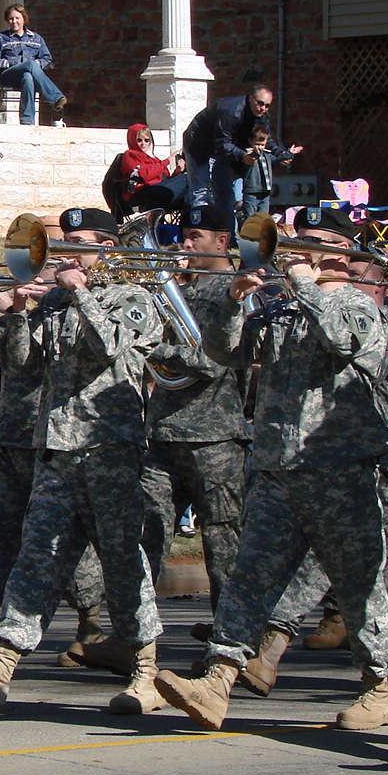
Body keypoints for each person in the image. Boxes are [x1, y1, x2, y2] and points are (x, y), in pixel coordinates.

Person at [155, 207, 388, 732]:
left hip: (337, 467)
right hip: (276, 465)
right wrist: (231, 301)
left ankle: (379, 685)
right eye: (297, 239)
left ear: (339, 252)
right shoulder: (282, 308)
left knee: (359, 582)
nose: (295, 247)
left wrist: (303, 285)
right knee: (251, 576)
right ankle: (218, 678)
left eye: (312, 241)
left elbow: (344, 343)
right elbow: (225, 352)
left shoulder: (358, 305)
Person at [0, 207, 166, 715]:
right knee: (35, 562)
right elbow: (22, 362)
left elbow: (110, 347)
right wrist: (17, 311)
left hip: (110, 448)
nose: (62, 251)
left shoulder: (133, 298)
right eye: (63, 241)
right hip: (55, 448)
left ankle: (146, 672)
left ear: (105, 248)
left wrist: (79, 293)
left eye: (77, 242)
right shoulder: (53, 301)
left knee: (124, 562)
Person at [140, 205, 248, 613]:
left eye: (195, 235)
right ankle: (133, 633)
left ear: (221, 241)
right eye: (184, 234)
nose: (185, 242)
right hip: (164, 431)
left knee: (222, 542)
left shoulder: (236, 291)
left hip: (215, 436)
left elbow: (214, 361)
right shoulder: (178, 290)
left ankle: (228, 636)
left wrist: (161, 352)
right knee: (146, 533)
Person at [180, 85, 302, 214]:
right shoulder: (231, 112)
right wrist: (243, 156)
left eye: (267, 106)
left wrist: (281, 154)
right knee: (201, 191)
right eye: (260, 103)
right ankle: (198, 227)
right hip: (199, 144)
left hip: (226, 147)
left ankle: (228, 232)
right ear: (250, 98)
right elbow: (222, 143)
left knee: (225, 193)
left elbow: (264, 139)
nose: (263, 109)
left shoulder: (262, 116)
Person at [0, 4, 65, 126]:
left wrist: (37, 65)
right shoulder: (1, 38)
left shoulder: (36, 38)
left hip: (30, 76)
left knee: (28, 76)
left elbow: (47, 58)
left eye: (17, 18)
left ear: (24, 18)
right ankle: (55, 98)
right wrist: (6, 63)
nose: (14, 21)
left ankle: (27, 121)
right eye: (11, 19)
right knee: (31, 65)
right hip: (8, 75)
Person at [117, 124, 176, 208]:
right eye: (139, 140)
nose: (143, 144)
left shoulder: (154, 159)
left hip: (158, 190)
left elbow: (166, 178)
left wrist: (178, 171)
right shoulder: (130, 155)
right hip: (139, 193)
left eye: (146, 140)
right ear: (132, 140)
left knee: (185, 180)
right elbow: (143, 175)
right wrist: (166, 161)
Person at [240, 126, 293, 217]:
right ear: (250, 141)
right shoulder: (248, 155)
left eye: (262, 145)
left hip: (265, 192)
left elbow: (276, 161)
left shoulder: (267, 156)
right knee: (250, 217)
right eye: (257, 144)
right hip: (251, 192)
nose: (260, 147)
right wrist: (255, 152)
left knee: (263, 217)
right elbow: (253, 156)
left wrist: (289, 153)